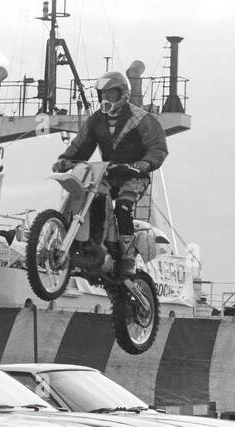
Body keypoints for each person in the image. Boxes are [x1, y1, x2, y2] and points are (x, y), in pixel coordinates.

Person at [52, 71, 168, 277]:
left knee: (123, 208)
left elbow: (158, 147)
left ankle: (127, 259)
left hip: (134, 174)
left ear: (123, 94)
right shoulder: (95, 120)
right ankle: (93, 247)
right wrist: (65, 160)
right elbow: (81, 144)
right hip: (108, 173)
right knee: (90, 199)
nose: (106, 99)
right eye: (102, 95)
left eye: (111, 94)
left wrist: (145, 163)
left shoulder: (141, 118)